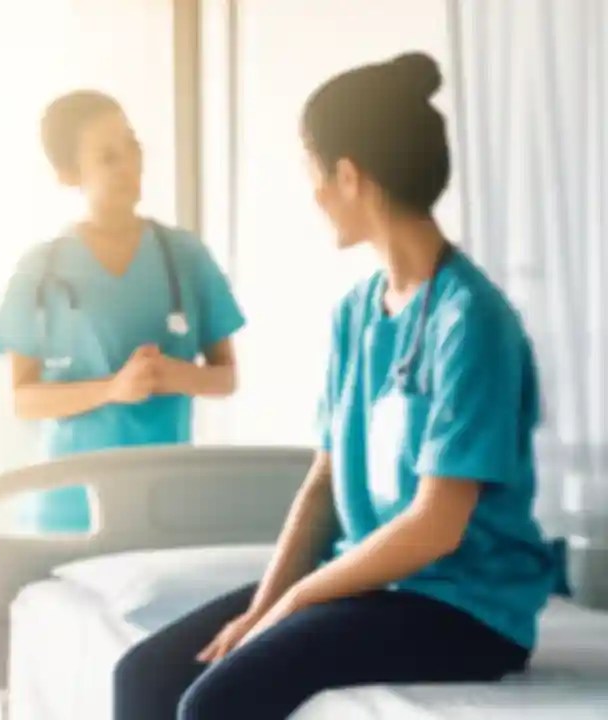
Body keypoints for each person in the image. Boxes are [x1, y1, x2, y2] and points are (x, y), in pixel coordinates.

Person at [112, 53, 557, 719]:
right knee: (145, 675)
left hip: (460, 607)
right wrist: (266, 604)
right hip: (372, 587)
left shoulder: (473, 321)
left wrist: (297, 602)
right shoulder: (357, 312)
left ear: (349, 176)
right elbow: (324, 483)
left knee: (216, 703)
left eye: (315, 174)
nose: (314, 194)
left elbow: (435, 526)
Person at [0, 90, 245, 533]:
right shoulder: (39, 270)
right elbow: (24, 400)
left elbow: (225, 377)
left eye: (132, 146)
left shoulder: (185, 256)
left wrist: (174, 375)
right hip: (70, 507)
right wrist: (112, 389)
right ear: (70, 174)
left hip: (166, 498)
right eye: (108, 156)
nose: (129, 164)